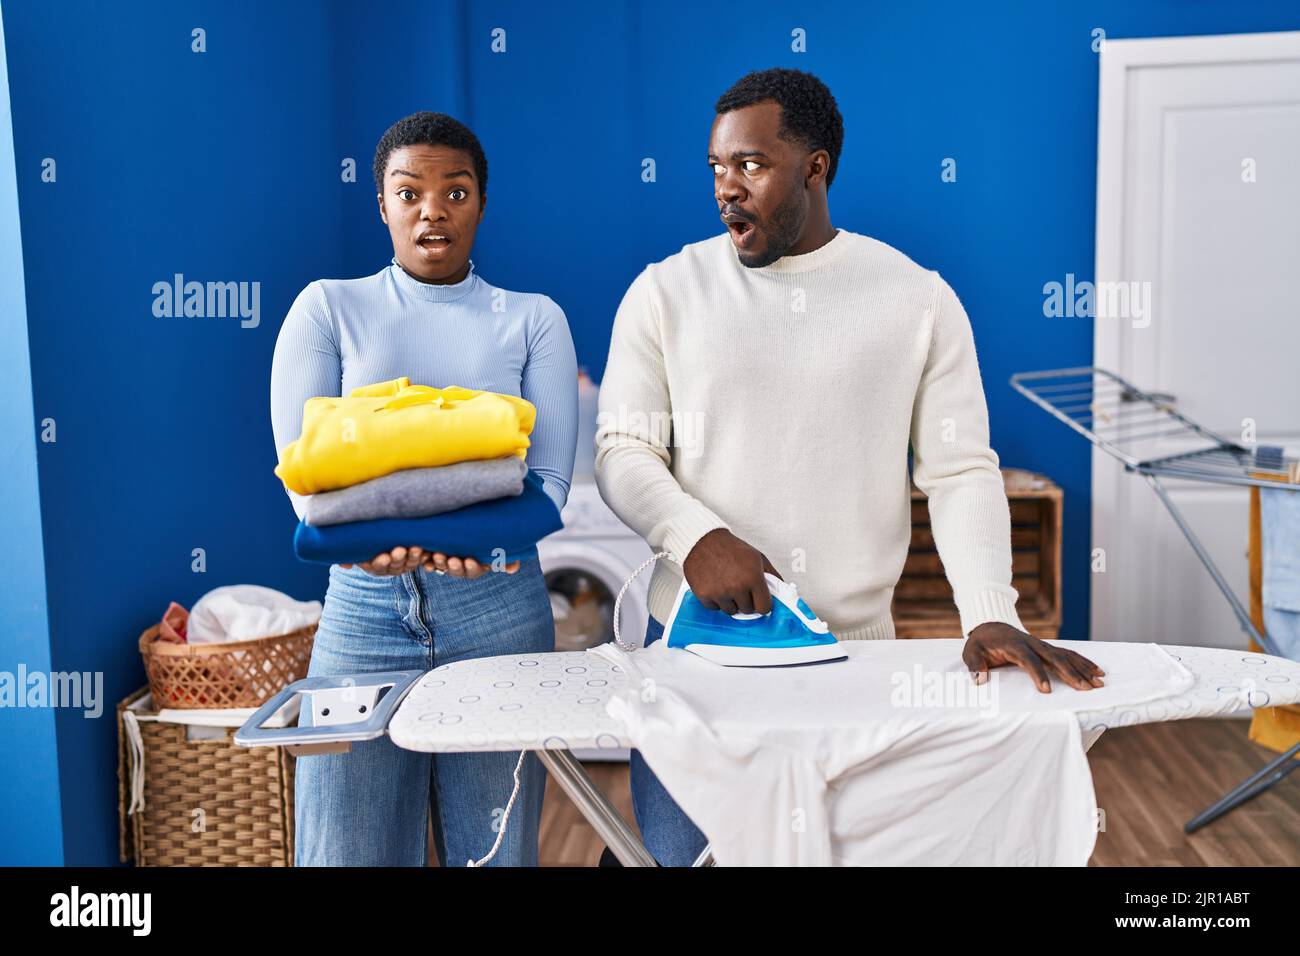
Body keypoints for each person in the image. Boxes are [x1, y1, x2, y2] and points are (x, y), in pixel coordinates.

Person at [593, 68, 1104, 867]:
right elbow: (624, 450)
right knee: (679, 856)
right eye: (716, 168)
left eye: (751, 166)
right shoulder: (665, 293)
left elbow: (962, 472)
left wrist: (987, 612)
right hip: (694, 658)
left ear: (815, 167)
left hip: (861, 658)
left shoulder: (915, 300)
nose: (726, 189)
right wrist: (694, 537)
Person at [270, 111, 578, 866]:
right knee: (343, 848)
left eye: (456, 191)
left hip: (500, 611)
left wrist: (488, 542)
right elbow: (309, 490)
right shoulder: (327, 309)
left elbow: (548, 488)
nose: (432, 210)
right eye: (408, 193)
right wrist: (368, 543)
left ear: (481, 202)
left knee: (495, 851)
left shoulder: (534, 320)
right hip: (362, 614)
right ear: (381, 204)